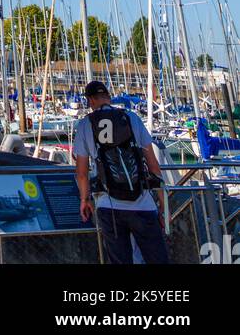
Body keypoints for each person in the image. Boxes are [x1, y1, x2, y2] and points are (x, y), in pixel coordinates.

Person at [72, 79, 170, 264]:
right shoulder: (131, 117)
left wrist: (84, 200)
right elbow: (153, 164)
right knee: (157, 259)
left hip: (108, 205)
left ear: (90, 101)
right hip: (143, 203)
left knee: (120, 260)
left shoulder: (85, 125)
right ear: (108, 97)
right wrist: (163, 205)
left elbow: (82, 172)